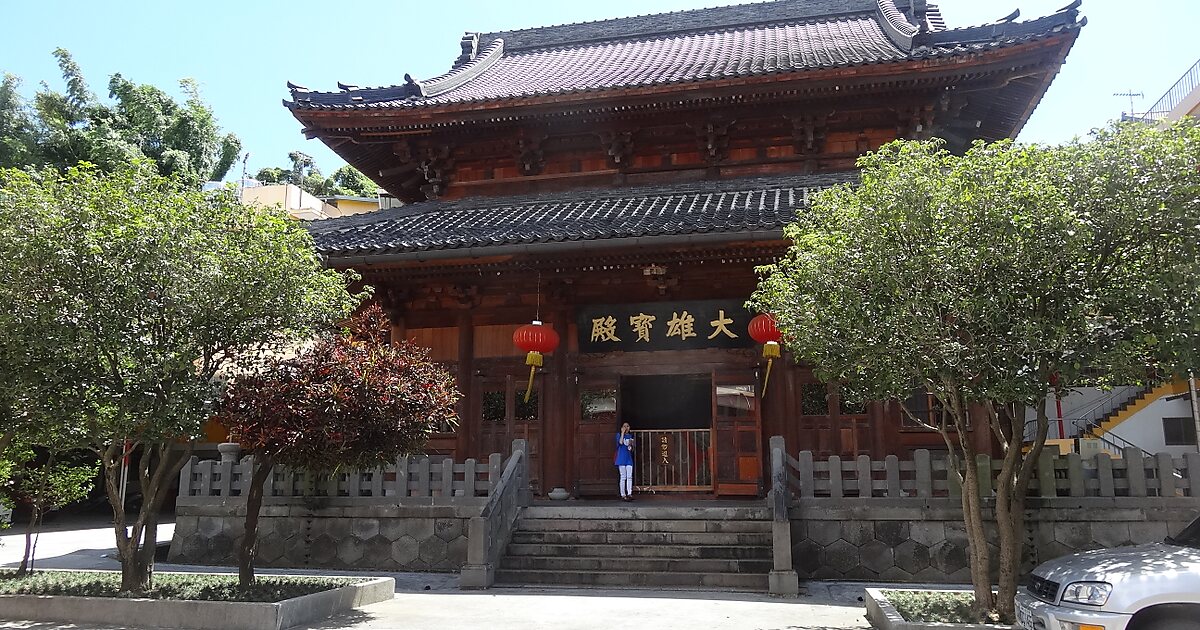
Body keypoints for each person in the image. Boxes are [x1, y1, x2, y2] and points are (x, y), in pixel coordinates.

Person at [615, 422, 635, 501]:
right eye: (624, 426)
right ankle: (623, 494)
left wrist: (631, 445)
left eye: (627, 426)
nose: (626, 427)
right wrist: (622, 433)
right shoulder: (618, 435)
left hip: (628, 458)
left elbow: (632, 448)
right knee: (623, 477)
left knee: (629, 476)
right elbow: (620, 443)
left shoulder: (631, 436)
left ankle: (629, 493)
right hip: (621, 458)